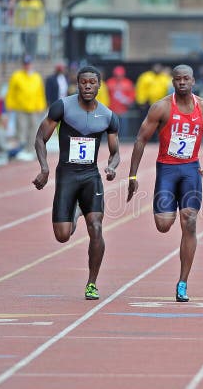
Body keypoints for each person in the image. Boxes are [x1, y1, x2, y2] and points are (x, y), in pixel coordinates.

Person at [126, 64, 203, 302]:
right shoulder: (161, 107)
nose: (182, 83)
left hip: (191, 170)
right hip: (167, 170)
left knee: (189, 220)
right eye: (178, 79)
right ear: (173, 82)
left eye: (186, 79)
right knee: (163, 224)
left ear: (193, 81)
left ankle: (183, 282)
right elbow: (141, 139)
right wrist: (133, 176)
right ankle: (166, 221)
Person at [32, 66, 121, 301]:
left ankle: (92, 283)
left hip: (91, 176)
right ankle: (76, 211)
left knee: (97, 227)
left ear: (99, 86)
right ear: (78, 84)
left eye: (93, 82)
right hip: (68, 175)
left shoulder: (109, 116)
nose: (88, 86)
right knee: (62, 235)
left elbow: (115, 152)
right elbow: (41, 138)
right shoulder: (63, 107)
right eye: (84, 83)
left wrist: (112, 167)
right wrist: (44, 169)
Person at [5, 55, 46, 159]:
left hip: (33, 108)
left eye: (29, 64)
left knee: (34, 129)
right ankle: (21, 149)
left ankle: (30, 149)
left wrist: (41, 106)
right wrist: (9, 104)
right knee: (21, 129)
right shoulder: (17, 76)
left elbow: (40, 93)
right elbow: (11, 92)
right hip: (20, 108)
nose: (27, 66)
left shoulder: (36, 77)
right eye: (25, 64)